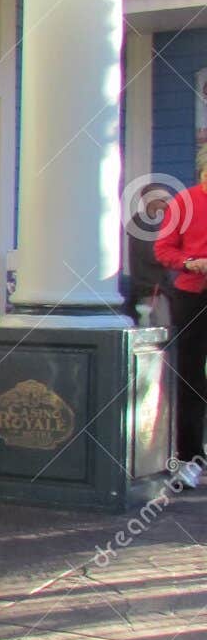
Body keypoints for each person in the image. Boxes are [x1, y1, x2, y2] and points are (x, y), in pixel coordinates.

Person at [153, 158, 207, 487]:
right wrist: (191, 262)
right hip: (193, 295)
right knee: (189, 376)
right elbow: (163, 249)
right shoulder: (185, 202)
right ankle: (189, 458)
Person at [124, 180, 175, 329]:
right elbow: (152, 255)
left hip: (162, 289)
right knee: (159, 330)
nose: (170, 204)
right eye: (165, 200)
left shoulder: (159, 223)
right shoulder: (141, 225)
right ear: (151, 201)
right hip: (151, 290)